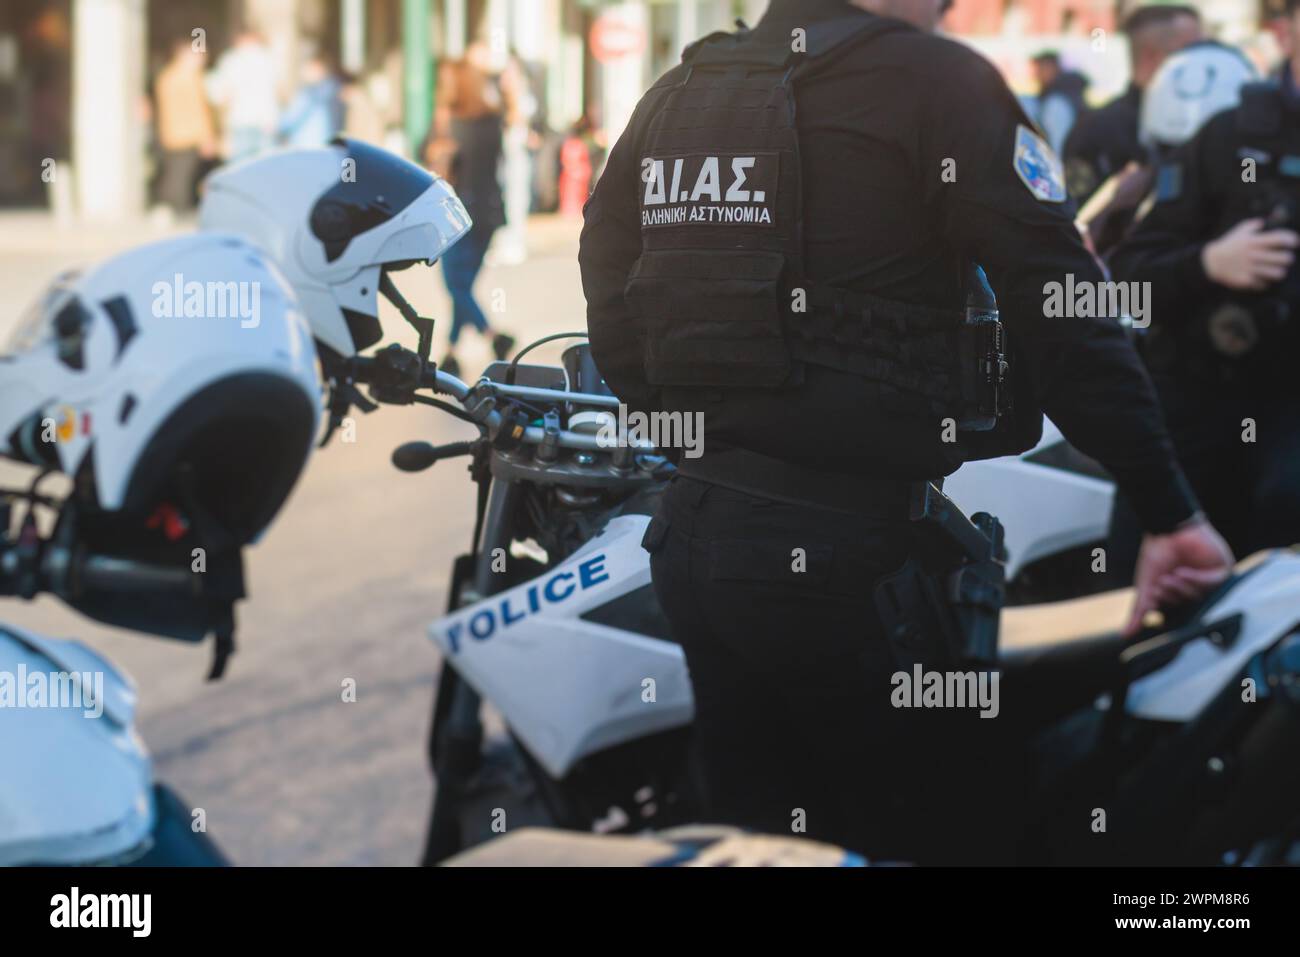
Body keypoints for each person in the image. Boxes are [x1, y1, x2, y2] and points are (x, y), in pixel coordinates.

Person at [579, 0, 1233, 862]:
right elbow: (1065, 310)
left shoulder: (683, 88)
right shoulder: (937, 81)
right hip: (847, 565)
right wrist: (1169, 511)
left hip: (697, 539)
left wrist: (693, 427)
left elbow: (605, 269)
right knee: (946, 826)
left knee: (764, 840)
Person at [1108, 3, 1300, 580]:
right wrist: (1208, 264)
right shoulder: (1229, 135)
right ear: (1283, 27)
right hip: (1203, 406)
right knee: (1137, 594)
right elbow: (1128, 277)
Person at [425, 38, 514, 377]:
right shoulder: (493, 121)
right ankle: (450, 353)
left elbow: (428, 157)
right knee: (462, 286)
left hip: (455, 215)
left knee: (456, 286)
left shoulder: (449, 124)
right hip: (489, 212)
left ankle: (493, 335)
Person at [1064, 4, 1202, 204]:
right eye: (1192, 50)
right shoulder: (1095, 130)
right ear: (1152, 56)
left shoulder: (1202, 122)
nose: (1204, 60)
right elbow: (1075, 212)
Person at [153, 37, 217, 214]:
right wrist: (208, 136)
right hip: (190, 134)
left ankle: (169, 207)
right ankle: (179, 210)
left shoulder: (166, 77)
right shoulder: (191, 79)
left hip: (171, 132)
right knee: (186, 177)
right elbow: (199, 110)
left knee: (175, 174)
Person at [206, 27, 278, 163]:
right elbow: (275, 93)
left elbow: (219, 94)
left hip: (239, 121)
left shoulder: (231, 60)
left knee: (239, 168)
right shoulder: (268, 59)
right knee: (264, 168)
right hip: (264, 122)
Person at [278, 52, 344, 149]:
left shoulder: (308, 94)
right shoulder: (335, 90)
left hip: (304, 146)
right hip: (328, 146)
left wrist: (278, 126)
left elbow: (291, 118)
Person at [1029, 50, 1088, 156]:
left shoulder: (1057, 102)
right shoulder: (1061, 92)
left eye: (1041, 68)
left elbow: (1060, 145)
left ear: (1052, 68)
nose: (1036, 74)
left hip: (1067, 163)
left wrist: (1059, 168)